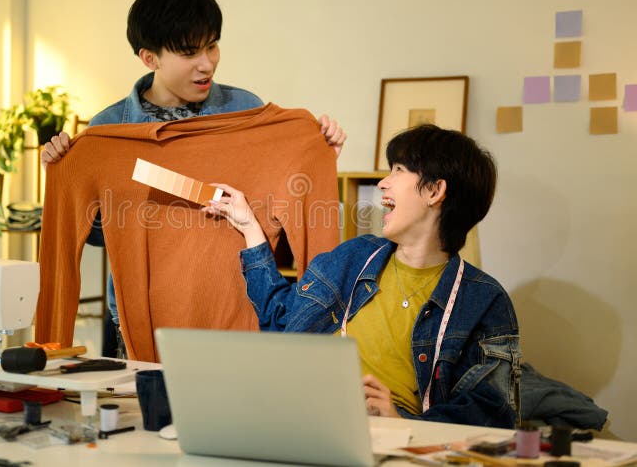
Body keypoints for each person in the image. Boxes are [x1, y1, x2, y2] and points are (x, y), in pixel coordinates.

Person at [40, 0, 346, 356]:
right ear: (149, 58)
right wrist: (64, 171)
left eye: (212, 45)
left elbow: (284, 198)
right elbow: (99, 236)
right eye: (189, 52)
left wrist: (317, 150)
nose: (207, 64)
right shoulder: (109, 129)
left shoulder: (245, 111)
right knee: (147, 415)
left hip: (234, 317)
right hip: (142, 324)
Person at [202, 124, 521, 428]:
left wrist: (397, 421)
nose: (383, 183)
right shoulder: (355, 257)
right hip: (295, 414)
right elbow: (282, 320)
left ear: (435, 191)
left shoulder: (482, 299)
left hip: (390, 440)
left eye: (398, 170)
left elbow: (491, 414)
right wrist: (248, 226)